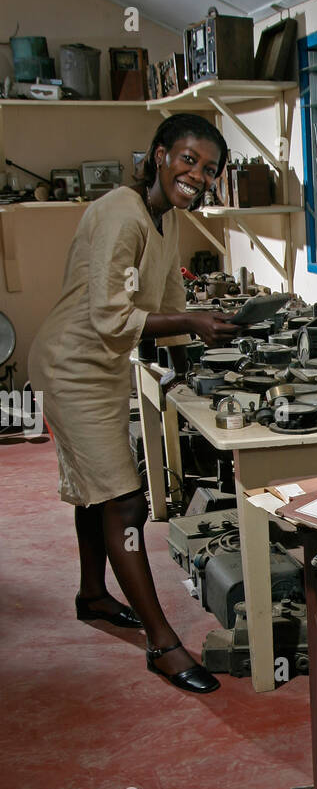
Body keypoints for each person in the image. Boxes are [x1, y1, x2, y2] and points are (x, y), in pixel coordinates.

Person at [28, 113, 240, 693]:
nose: (197, 175)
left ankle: (93, 595)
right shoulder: (121, 213)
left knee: (94, 490)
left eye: (209, 169)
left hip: (103, 367)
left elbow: (168, 305)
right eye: (188, 159)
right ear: (158, 154)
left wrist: (217, 337)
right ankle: (162, 643)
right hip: (73, 367)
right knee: (122, 503)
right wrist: (193, 322)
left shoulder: (167, 219)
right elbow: (112, 317)